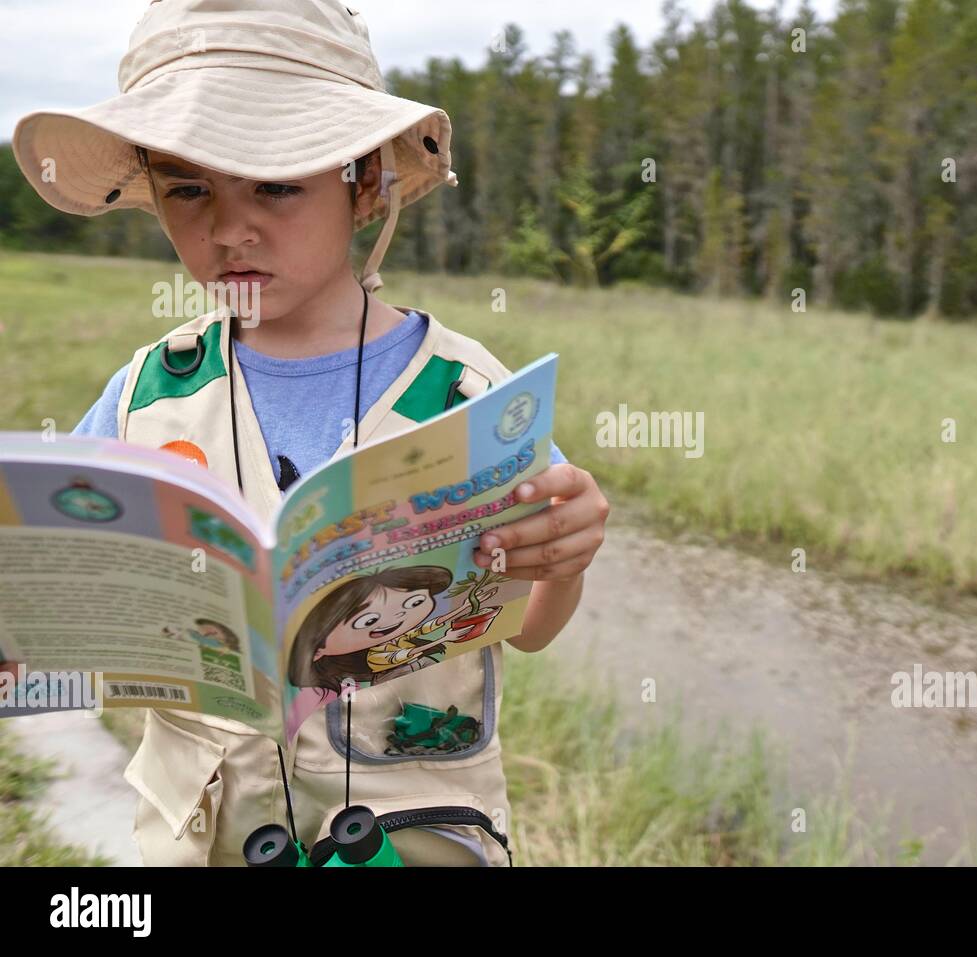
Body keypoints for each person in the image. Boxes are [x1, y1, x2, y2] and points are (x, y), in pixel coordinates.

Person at [11, 0, 609, 866]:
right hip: (204, 833)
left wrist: (567, 554)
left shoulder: (469, 394)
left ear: (363, 182)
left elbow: (532, 626)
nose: (228, 228)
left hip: (411, 833)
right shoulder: (144, 396)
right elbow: (58, 599)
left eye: (276, 182)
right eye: (188, 188)